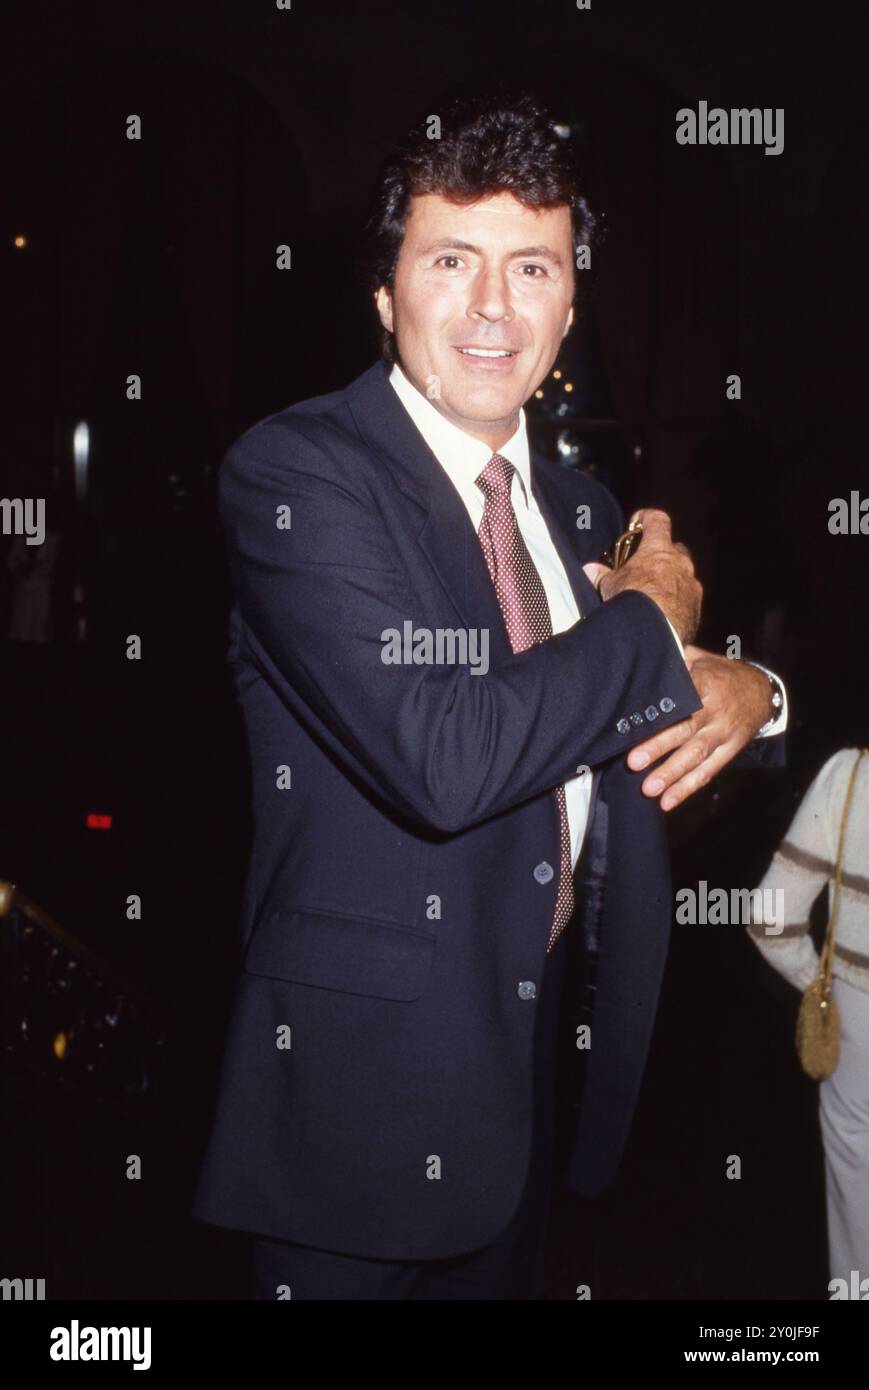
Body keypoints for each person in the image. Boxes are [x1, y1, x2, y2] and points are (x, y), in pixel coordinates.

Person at [191, 88, 787, 1299]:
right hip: (353, 1123)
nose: (491, 307)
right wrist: (649, 622)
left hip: (539, 1094)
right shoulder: (298, 472)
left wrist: (750, 689)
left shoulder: (576, 510)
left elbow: (626, 709)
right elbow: (445, 755)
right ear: (382, 292)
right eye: (451, 258)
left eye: (533, 268)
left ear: (567, 308)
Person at [746, 747, 869, 1291]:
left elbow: (770, 917)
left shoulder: (852, 776)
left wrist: (820, 986)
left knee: (855, 1189)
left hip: (860, 1014)